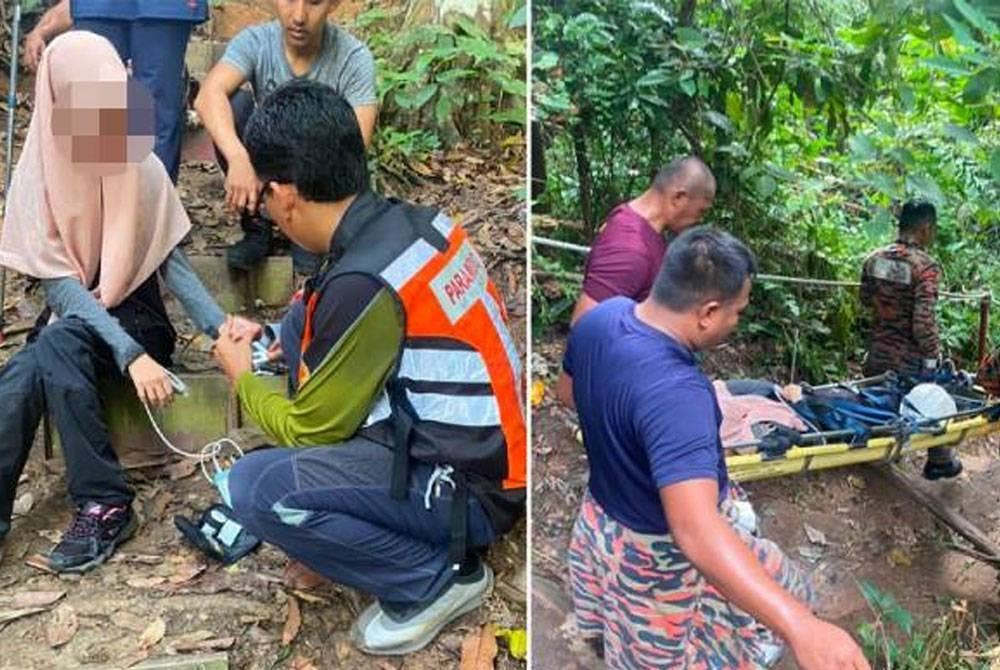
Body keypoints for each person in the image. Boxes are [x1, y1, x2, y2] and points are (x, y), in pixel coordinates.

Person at [209, 80, 525, 655]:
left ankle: (435, 580)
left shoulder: (364, 282)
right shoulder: (415, 225)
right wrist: (284, 334)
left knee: (256, 487)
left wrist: (242, 375)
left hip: (468, 493)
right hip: (490, 459)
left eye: (266, 194)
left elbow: (310, 428)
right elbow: (345, 312)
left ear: (284, 194)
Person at [556, 227, 869, 669]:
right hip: (655, 553)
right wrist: (801, 628)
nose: (737, 322)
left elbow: (566, 393)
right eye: (737, 312)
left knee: (767, 585)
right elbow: (695, 530)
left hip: (602, 515)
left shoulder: (601, 319)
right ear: (707, 312)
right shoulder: (678, 394)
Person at [0, 33, 254, 572]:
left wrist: (218, 327)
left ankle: (104, 502)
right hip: (83, 323)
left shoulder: (137, 159)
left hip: (139, 318)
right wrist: (126, 355)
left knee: (55, 342)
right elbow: (64, 290)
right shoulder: (39, 175)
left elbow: (171, 263)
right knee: (22, 378)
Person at [194, 0, 378, 275]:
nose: (299, 16)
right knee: (235, 106)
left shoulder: (353, 57)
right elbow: (208, 96)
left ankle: (310, 237)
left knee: (335, 136)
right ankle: (257, 225)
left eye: (314, 3)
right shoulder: (257, 41)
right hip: (269, 166)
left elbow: (355, 144)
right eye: (290, 0)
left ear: (334, 4)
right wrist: (239, 158)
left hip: (319, 176)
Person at [23, 0, 209, 184]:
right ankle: (93, 200)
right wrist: (43, 29)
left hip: (163, 7)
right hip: (100, 7)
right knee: (94, 106)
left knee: (157, 109)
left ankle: (152, 203)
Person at [860, 200, 961, 480]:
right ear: (926, 228)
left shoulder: (874, 259)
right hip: (910, 358)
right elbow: (923, 320)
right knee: (933, 401)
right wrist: (932, 355)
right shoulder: (925, 267)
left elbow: (865, 300)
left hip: (878, 350)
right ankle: (939, 460)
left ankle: (879, 456)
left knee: (878, 399)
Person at [569, 156, 716, 325]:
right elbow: (584, 326)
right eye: (701, 211)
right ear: (679, 198)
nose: (700, 219)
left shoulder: (642, 226)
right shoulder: (629, 248)